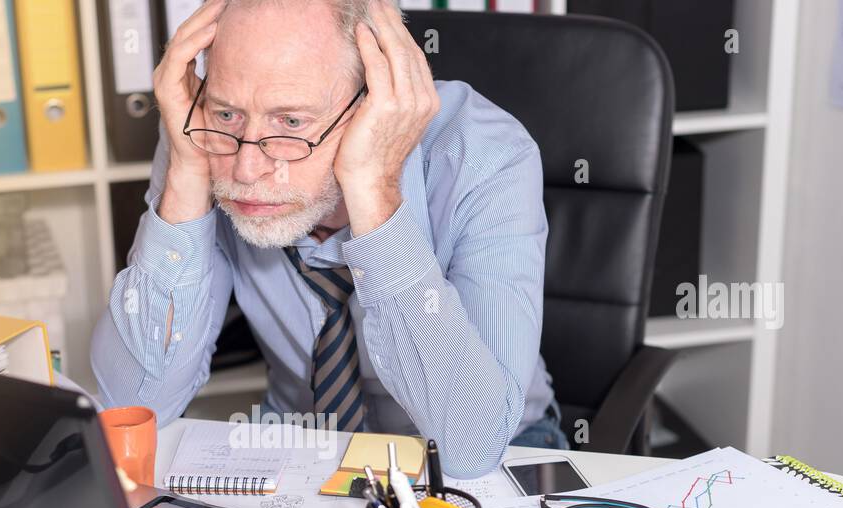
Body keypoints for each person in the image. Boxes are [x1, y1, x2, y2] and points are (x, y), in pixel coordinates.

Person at [90, 0, 567, 479]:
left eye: (291, 123)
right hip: (299, 443)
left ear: (375, 103)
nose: (247, 170)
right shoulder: (202, 138)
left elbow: (470, 446)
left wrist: (374, 194)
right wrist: (187, 175)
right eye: (228, 112)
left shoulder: (488, 157)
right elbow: (131, 408)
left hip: (495, 453)